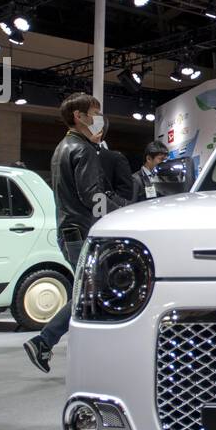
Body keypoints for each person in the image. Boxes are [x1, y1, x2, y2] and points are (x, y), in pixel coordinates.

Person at [23, 94, 128, 373]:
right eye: (95, 112)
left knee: (90, 291)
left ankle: (76, 349)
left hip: (70, 230)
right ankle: (44, 341)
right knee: (91, 291)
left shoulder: (63, 147)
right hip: (81, 230)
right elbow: (92, 195)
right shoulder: (81, 149)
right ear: (79, 116)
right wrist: (126, 209)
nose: (100, 118)